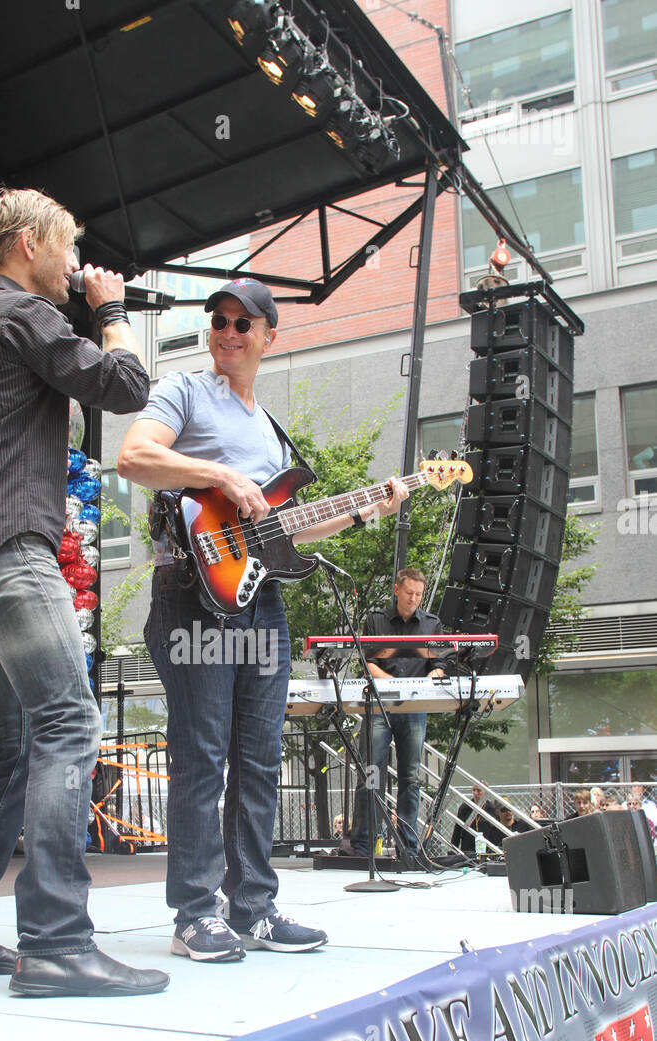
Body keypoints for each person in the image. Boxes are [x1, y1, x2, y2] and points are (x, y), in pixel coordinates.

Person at [0, 186, 169, 998]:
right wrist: (113, 309)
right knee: (68, 724)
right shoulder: (24, 316)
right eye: (66, 248)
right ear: (25, 247)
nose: (73, 265)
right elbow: (125, 386)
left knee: (15, 744)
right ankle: (56, 942)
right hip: (13, 555)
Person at [118, 278, 407, 961]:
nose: (227, 331)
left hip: (260, 602)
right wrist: (218, 477)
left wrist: (370, 507)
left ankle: (255, 908)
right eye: (218, 320)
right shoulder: (183, 391)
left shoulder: (273, 434)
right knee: (204, 755)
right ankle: (195, 912)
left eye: (243, 323)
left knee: (258, 758)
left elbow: (285, 532)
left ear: (269, 337)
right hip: (191, 594)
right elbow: (134, 457)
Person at [349, 568, 445, 860]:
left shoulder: (432, 624)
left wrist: (423, 686)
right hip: (380, 705)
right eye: (409, 593)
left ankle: (408, 847)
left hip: (415, 709)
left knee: (411, 778)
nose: (414, 599)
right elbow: (367, 663)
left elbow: (439, 665)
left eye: (419, 594)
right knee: (371, 774)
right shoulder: (376, 620)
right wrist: (395, 685)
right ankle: (363, 846)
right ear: (396, 590)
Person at [450, 783, 488, 855]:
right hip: (467, 850)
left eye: (478, 791)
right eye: (473, 790)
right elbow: (457, 831)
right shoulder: (464, 807)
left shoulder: (491, 808)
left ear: (485, 792)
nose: (475, 793)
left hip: (486, 850)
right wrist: (453, 851)